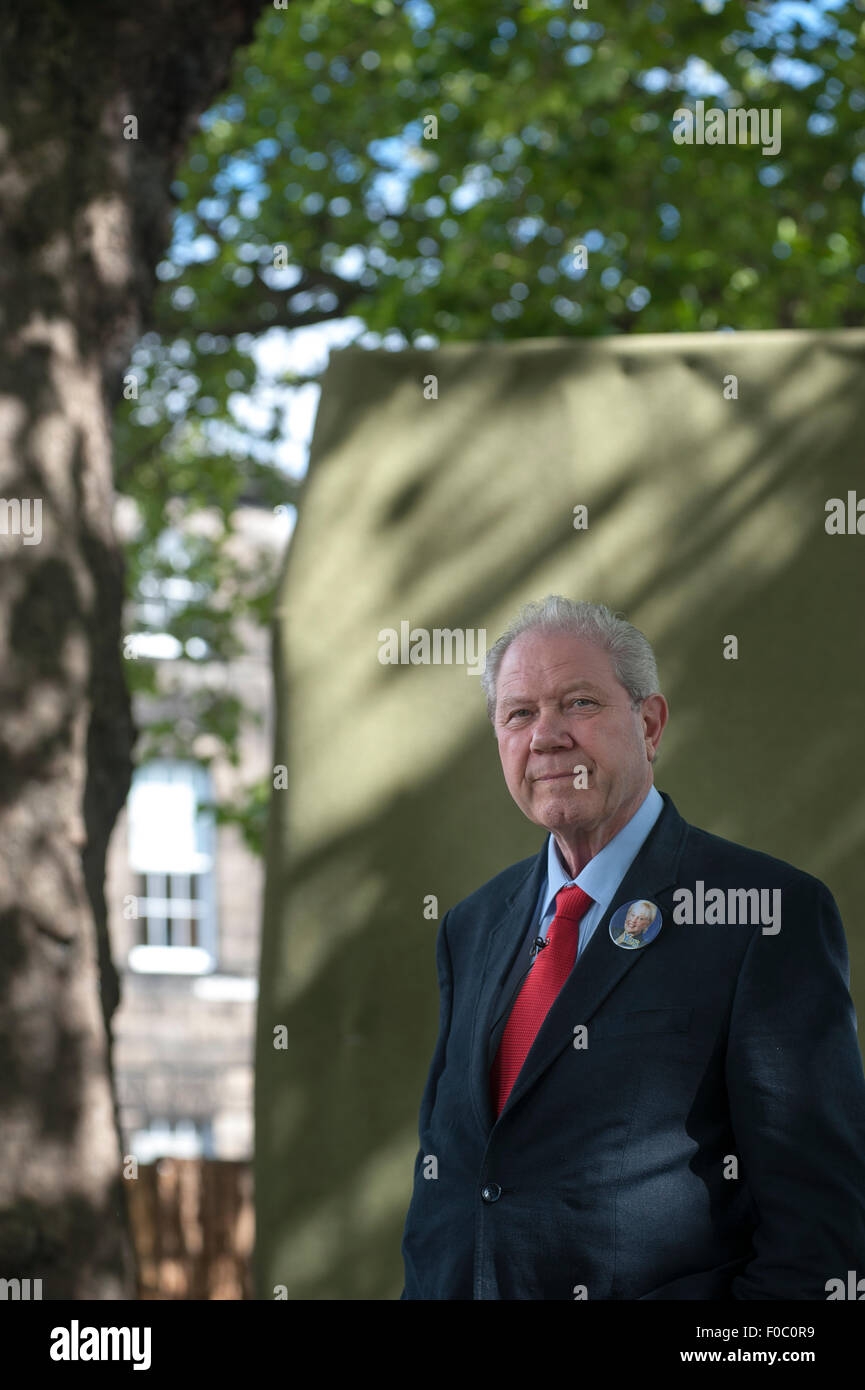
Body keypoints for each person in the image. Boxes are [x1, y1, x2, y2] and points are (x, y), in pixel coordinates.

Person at [400, 596, 865, 1300]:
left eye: (578, 703)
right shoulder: (472, 926)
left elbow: (819, 1231)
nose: (546, 736)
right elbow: (452, 1193)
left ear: (648, 725)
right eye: (518, 714)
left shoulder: (763, 914)